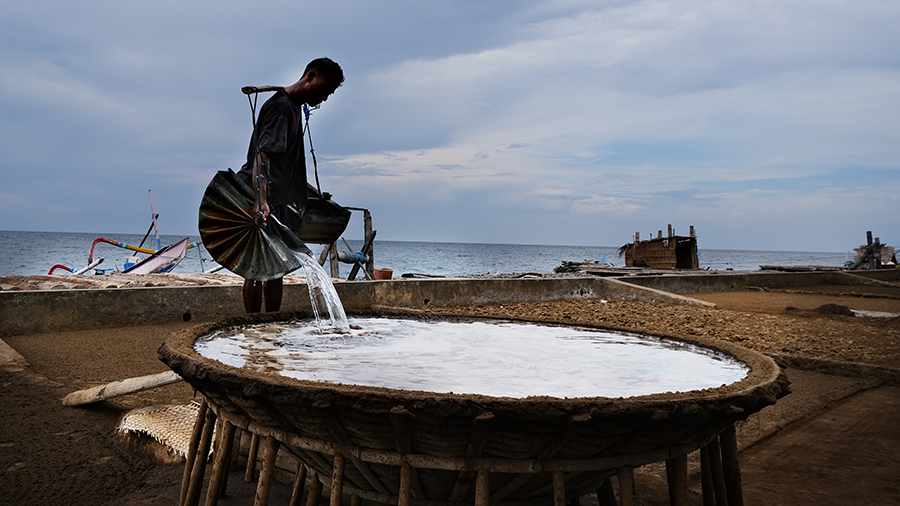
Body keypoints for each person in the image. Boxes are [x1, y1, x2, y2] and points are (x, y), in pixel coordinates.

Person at [236, 57, 344, 313]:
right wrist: (261, 201)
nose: (325, 98)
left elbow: (284, 168)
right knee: (256, 269)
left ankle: (271, 326)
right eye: (324, 89)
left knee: (276, 270)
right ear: (310, 77)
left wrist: (312, 195)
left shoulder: (294, 108)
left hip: (280, 200)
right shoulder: (282, 108)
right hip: (264, 201)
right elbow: (262, 157)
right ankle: (254, 326)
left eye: (329, 94)